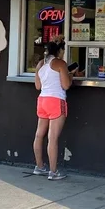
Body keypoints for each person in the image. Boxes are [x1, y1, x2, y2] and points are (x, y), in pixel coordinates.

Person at [32, 38, 75, 180]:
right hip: (56, 100)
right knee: (53, 137)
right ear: (59, 51)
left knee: (39, 135)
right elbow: (66, 85)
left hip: (42, 100)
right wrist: (71, 75)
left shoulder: (40, 64)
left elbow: (37, 86)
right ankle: (53, 171)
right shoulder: (60, 64)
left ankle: (39, 167)